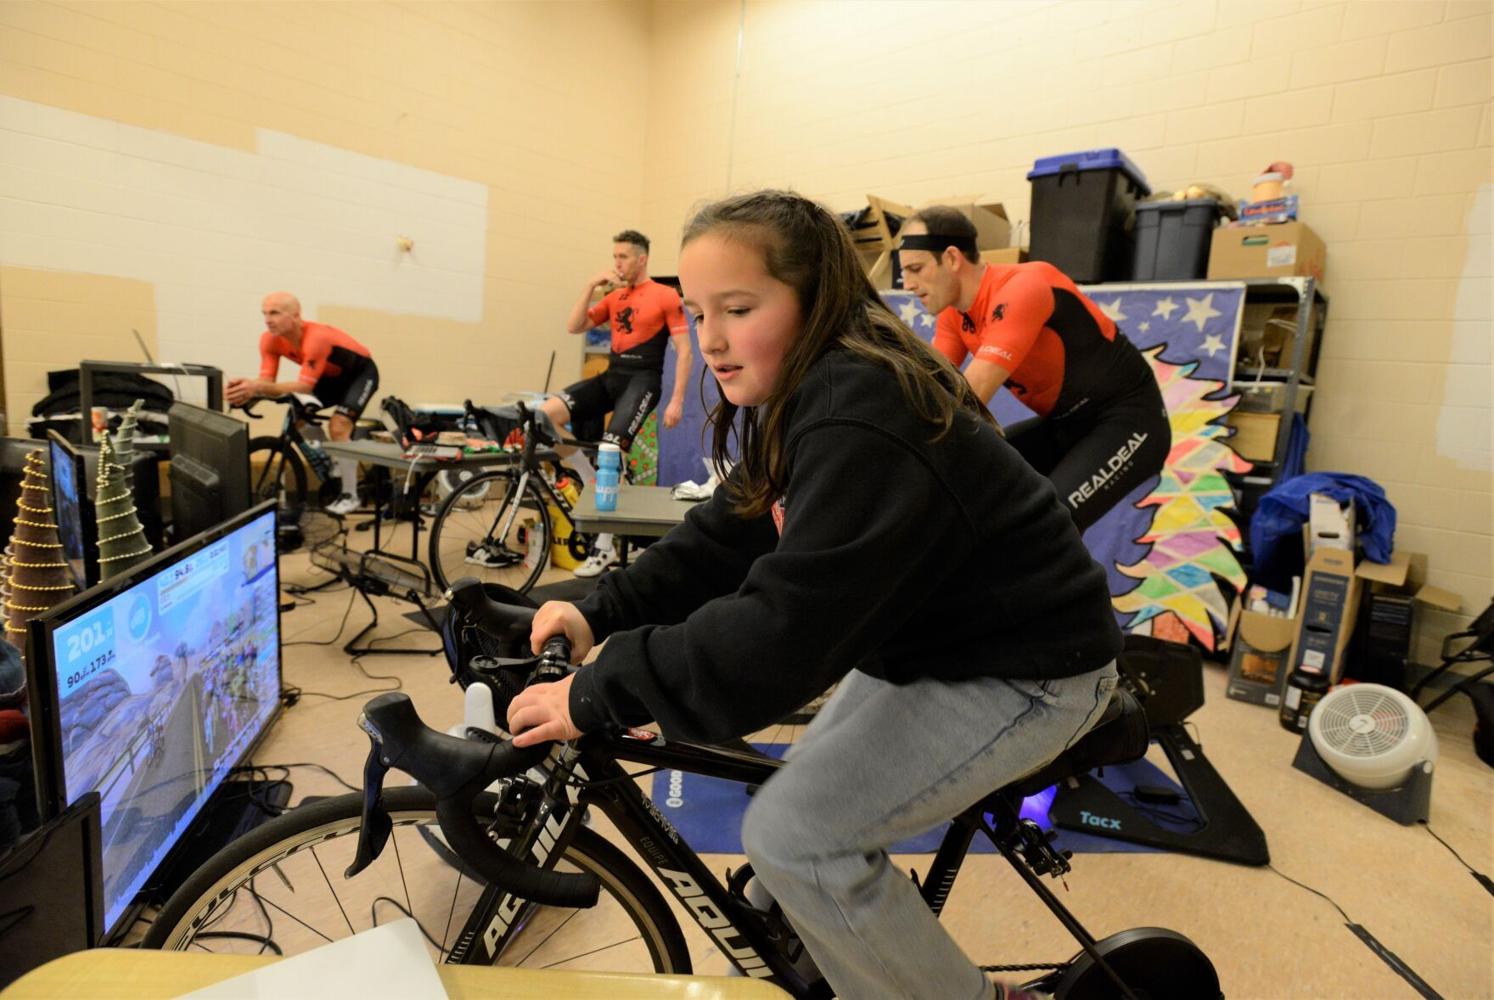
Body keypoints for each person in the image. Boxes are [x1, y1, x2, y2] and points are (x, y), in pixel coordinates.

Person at [506, 191, 1122, 1000]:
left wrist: (603, 687)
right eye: (696, 313)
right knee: (789, 834)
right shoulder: (803, 386)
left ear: (812, 297)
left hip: (1028, 669)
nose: (713, 339)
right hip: (937, 642)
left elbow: (782, 635)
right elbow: (732, 530)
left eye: (739, 307)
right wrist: (601, 606)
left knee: (795, 837)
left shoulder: (861, 405)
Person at [897, 207, 1170, 532]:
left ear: (953, 258)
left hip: (1130, 420)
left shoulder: (1024, 287)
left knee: (1046, 528)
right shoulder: (954, 316)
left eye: (915, 269)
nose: (907, 284)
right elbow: (929, 390)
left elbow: (967, 399)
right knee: (958, 481)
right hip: (1066, 427)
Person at [540, 230, 692, 578]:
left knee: (611, 448)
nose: (617, 263)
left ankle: (604, 547)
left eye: (623, 256)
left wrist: (677, 400)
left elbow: (685, 351)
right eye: (615, 257)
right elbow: (574, 325)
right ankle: (588, 474)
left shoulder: (666, 295)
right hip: (613, 375)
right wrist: (591, 286)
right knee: (546, 415)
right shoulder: (615, 296)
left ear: (642, 259)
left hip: (644, 379)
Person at [225, 292, 379, 516]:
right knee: (298, 412)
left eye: (275, 313)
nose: (268, 319)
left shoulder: (316, 338)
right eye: (265, 313)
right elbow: (267, 382)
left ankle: (350, 495)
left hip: (360, 375)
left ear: (296, 316)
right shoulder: (269, 339)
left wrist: (255, 388)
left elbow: (304, 387)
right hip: (329, 378)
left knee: (338, 426)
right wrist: (245, 393)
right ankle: (331, 457)